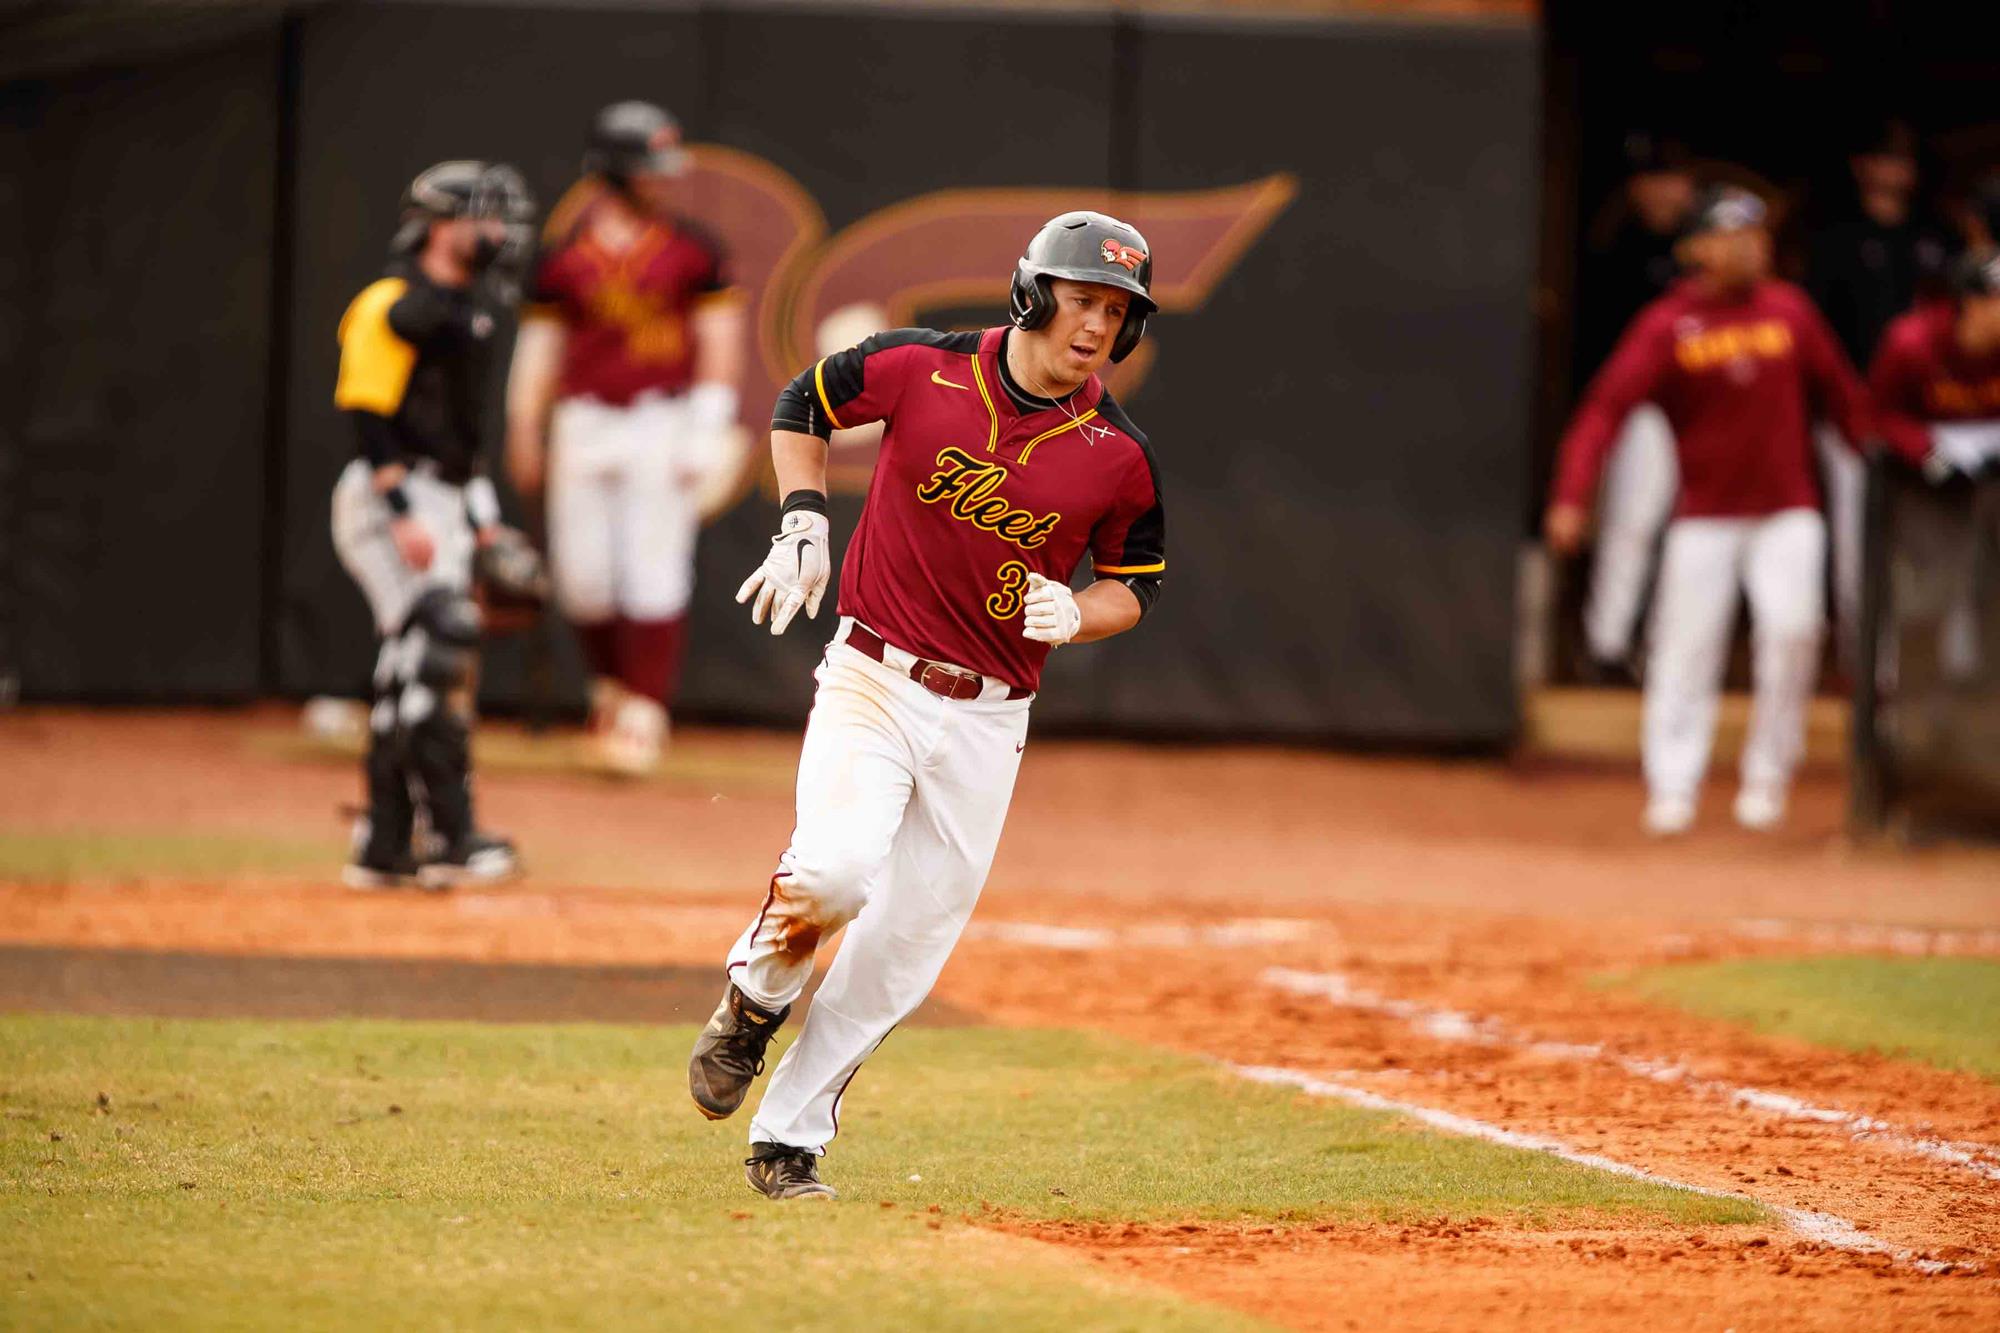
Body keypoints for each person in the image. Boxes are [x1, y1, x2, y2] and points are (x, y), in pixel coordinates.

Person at [688, 212, 1167, 1201]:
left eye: (1115, 311)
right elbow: (802, 400)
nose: (1094, 326)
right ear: (1032, 290)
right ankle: (753, 997)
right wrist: (801, 520)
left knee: (903, 951)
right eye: (1081, 298)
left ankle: (786, 1145)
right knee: (833, 869)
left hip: (990, 717)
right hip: (874, 672)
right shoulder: (922, 365)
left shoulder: (1118, 452)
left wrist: (1076, 612)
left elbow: (1135, 582)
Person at [1546, 186, 1875, 835]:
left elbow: (1846, 400)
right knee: (1684, 647)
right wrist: (1570, 495)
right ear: (1697, 248)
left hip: (1787, 507)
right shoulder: (1669, 323)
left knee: (1792, 631)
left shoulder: (1790, 310)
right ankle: (1672, 782)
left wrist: (1887, 463)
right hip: (1705, 511)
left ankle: (1768, 774)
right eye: (1730, 235)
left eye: (1755, 234)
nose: (1748, 246)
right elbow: (1603, 411)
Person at [505, 101, 746, 776]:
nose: (662, 181)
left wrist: (708, 422)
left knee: (652, 567)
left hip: (661, 417)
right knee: (582, 580)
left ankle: (644, 712)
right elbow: (540, 350)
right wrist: (525, 427)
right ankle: (608, 691)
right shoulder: (561, 261)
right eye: (649, 167)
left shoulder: (694, 249)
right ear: (615, 170)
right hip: (583, 419)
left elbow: (720, 343)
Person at [330, 160, 534, 888]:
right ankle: (452, 835)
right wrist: (401, 511)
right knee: (439, 646)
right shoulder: (392, 301)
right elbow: (367, 411)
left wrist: (480, 521)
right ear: (442, 225)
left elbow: (463, 436)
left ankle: (385, 844)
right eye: (486, 216)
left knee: (409, 669)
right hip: (391, 495)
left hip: (446, 495)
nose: (500, 233)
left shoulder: (471, 308)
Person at [1804, 119, 1958, 660]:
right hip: (1851, 407)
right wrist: (1845, 406)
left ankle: (1925, 655)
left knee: (1929, 529)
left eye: (1903, 160)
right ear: (1861, 167)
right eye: (1884, 159)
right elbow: (1817, 337)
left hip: (1923, 413)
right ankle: (1861, 651)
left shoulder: (1934, 238)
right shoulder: (1836, 240)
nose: (1895, 171)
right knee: (1856, 530)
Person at [1573, 132, 1698, 675]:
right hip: (1643, 410)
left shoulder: (1702, 254)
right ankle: (1606, 646)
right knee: (1632, 523)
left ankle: (1666, 646)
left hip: (1702, 408)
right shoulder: (1613, 251)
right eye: (1654, 180)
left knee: (1691, 532)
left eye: (1674, 179)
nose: (1666, 192)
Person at [1868, 248, 2000, 679]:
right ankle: (1900, 686)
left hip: (1991, 462)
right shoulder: (1912, 341)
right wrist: (1923, 448)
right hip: (1922, 474)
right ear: (1971, 303)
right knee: (1923, 585)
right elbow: (1877, 412)